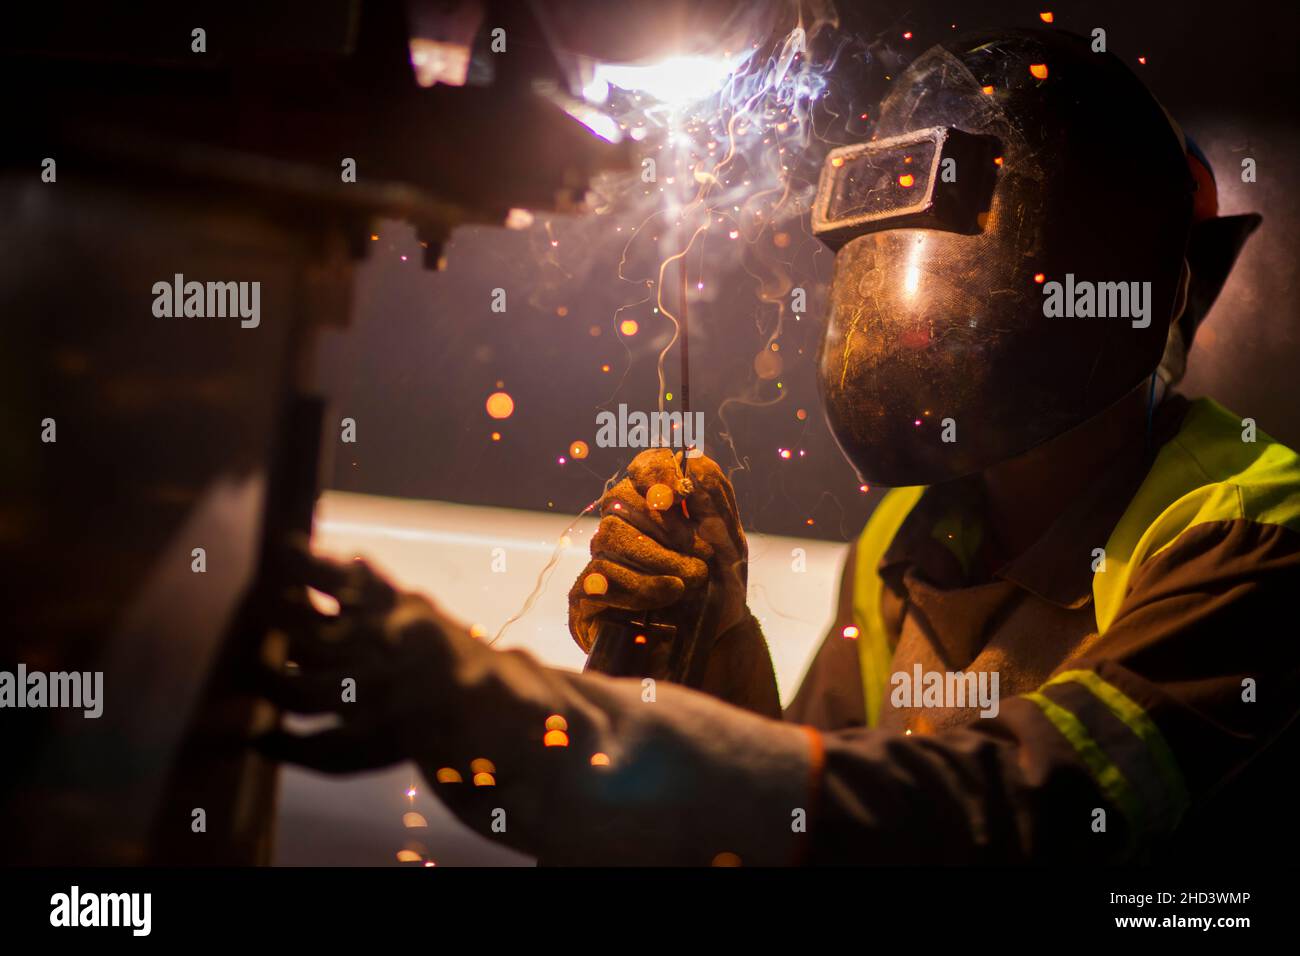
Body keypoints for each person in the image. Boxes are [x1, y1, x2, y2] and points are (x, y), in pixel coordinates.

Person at [258, 28, 1300, 865]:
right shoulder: (917, 525)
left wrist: (533, 720)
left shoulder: (1255, 537)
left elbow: (1007, 812)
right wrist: (711, 649)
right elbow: (822, 814)